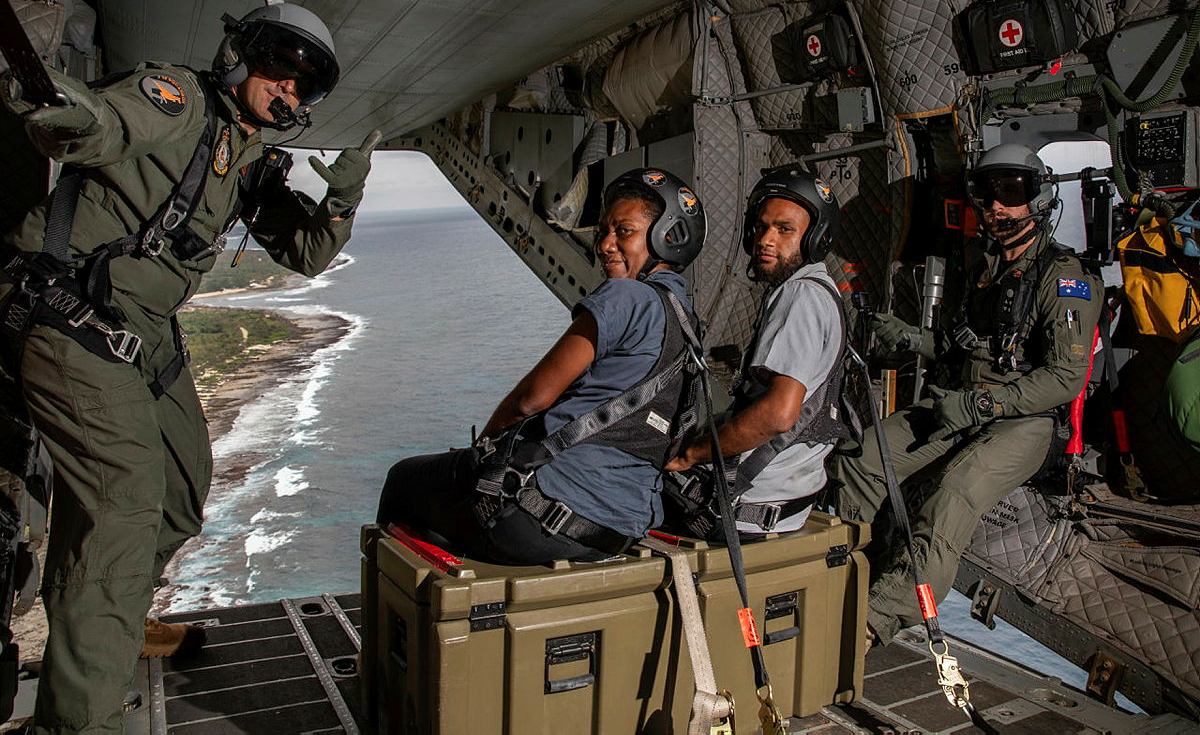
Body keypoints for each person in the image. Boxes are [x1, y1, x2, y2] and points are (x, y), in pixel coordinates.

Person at [0, 0, 379, 732]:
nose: (289, 91)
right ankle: (80, 718)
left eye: (306, 85)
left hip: (141, 327)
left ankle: (107, 622)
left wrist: (346, 192)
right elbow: (103, 124)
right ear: (242, 54)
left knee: (179, 491)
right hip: (67, 309)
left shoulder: (246, 157)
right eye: (279, 67)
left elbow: (307, 255)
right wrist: (62, 109)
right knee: (124, 503)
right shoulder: (177, 102)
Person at [831, 144, 1102, 648]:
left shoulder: (1065, 278)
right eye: (988, 192)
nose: (997, 205)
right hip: (962, 403)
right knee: (863, 458)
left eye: (1011, 191)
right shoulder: (986, 269)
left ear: (1038, 199)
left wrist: (981, 406)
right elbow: (968, 349)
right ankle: (844, 575)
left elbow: (1065, 378)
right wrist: (913, 339)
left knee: (951, 493)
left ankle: (876, 620)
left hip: (1026, 421)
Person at [377, 168, 706, 564]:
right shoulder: (687, 323)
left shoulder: (626, 297)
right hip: (615, 531)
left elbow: (531, 400)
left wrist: (485, 452)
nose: (605, 245)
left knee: (403, 480)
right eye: (604, 232)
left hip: (538, 520)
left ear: (666, 238)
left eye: (624, 231)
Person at [662, 167, 850, 539]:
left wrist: (691, 455)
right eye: (761, 228)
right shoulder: (822, 290)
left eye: (784, 230)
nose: (766, 240)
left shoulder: (801, 297)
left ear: (814, 238)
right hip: (786, 504)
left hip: (745, 507)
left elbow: (779, 415)